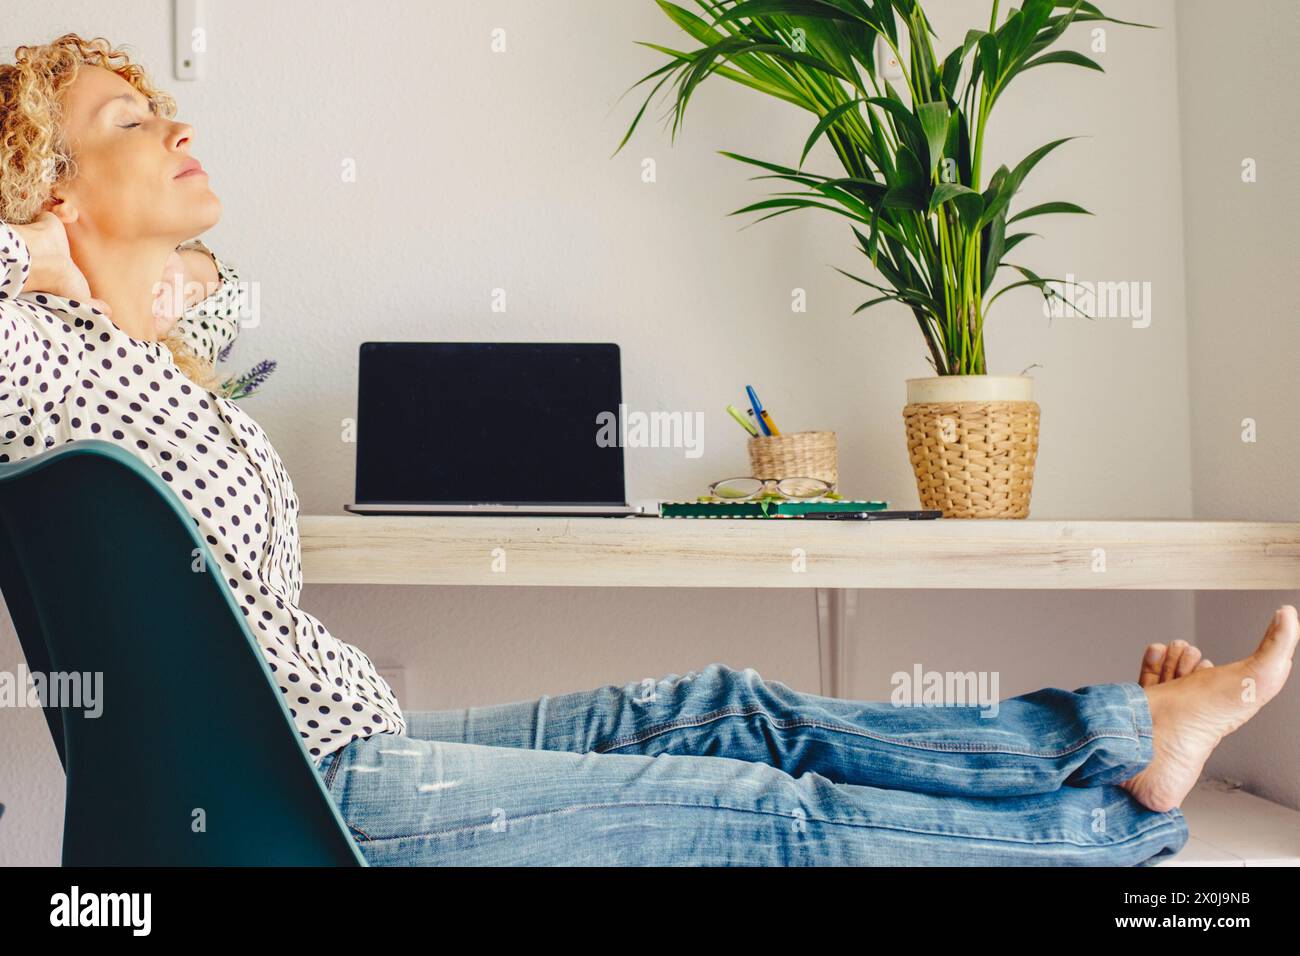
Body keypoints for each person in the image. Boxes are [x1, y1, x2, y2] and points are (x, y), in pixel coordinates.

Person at [1, 33, 1294, 866]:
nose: (175, 129)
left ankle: (1118, 730)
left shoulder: (151, 360)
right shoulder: (45, 359)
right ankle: (1111, 817)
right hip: (327, 797)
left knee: (723, 708)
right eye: (127, 121)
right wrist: (28, 236)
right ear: (48, 192)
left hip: (361, 741)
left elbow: (209, 297)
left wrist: (109, 251)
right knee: (761, 819)